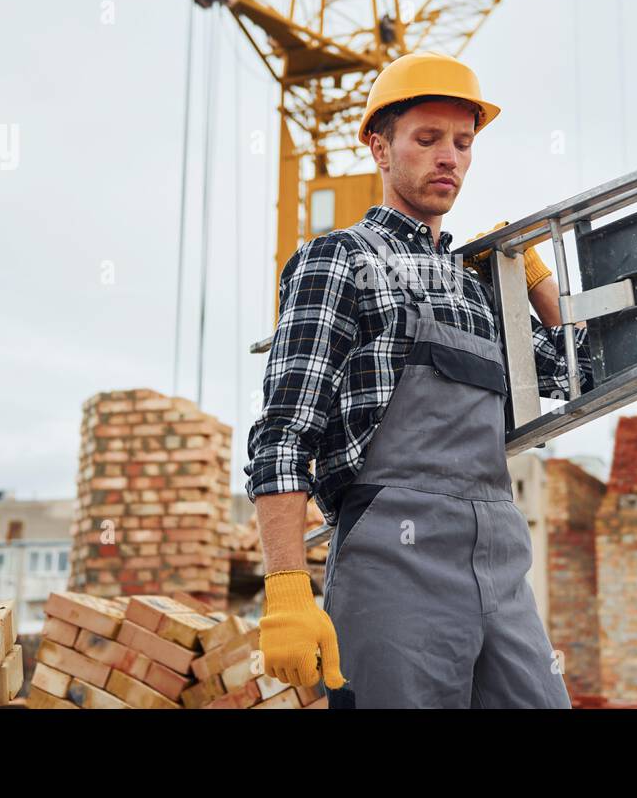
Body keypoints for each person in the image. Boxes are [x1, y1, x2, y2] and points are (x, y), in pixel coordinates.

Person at [244, 50, 592, 708]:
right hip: (393, 571)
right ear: (380, 147)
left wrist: (535, 280)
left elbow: (583, 370)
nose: (450, 158)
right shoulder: (338, 260)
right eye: (427, 139)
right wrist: (286, 588)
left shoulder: (475, 289)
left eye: (463, 143)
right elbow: (283, 433)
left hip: (500, 566)